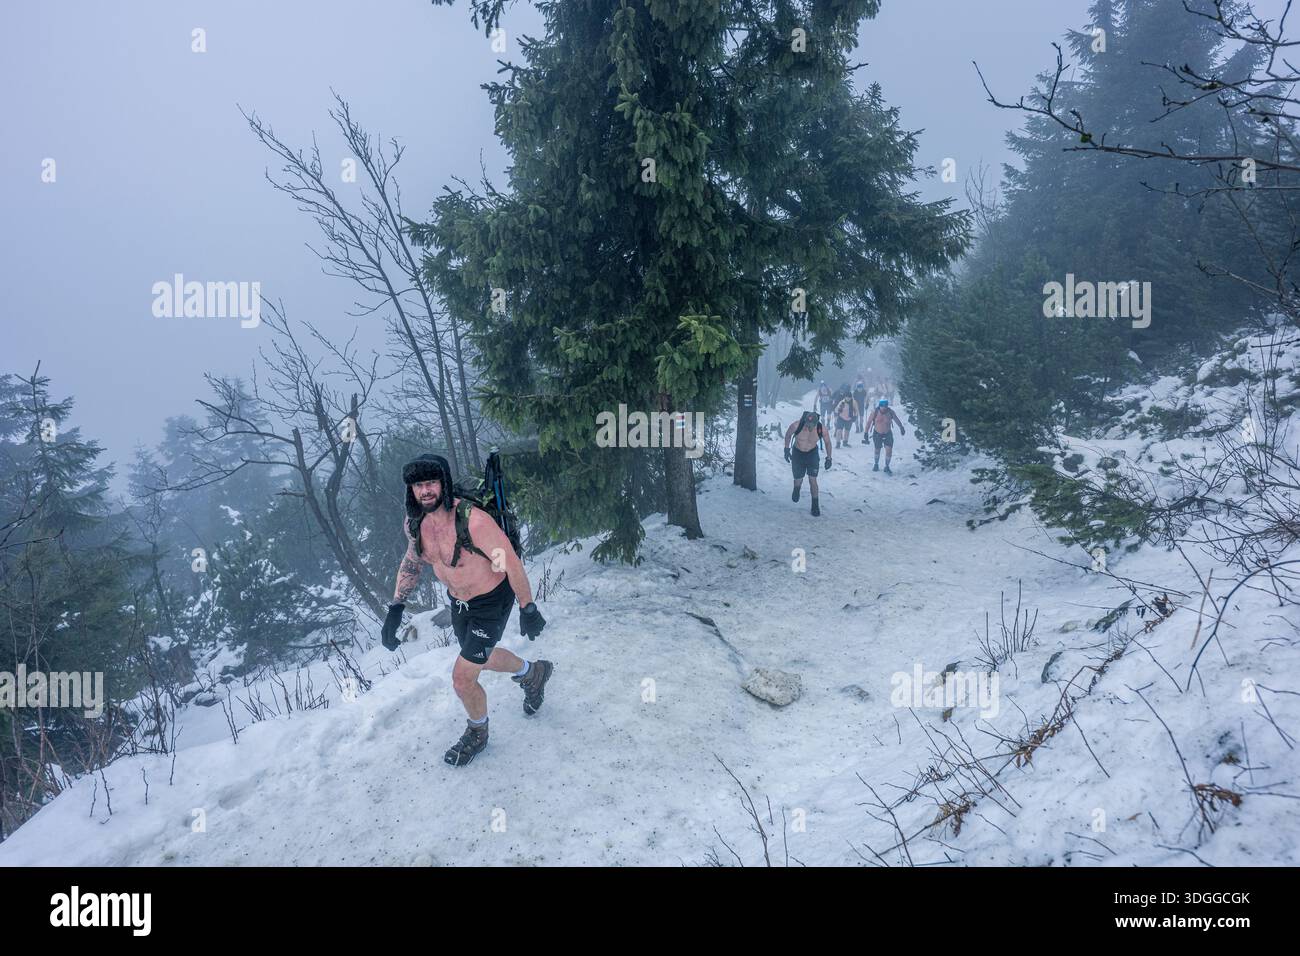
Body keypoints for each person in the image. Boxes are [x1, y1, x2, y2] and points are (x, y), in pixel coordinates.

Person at [382, 454, 552, 767]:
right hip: (458, 601)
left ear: (443, 483)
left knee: (462, 678)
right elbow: (411, 561)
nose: (425, 491)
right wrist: (395, 607)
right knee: (480, 659)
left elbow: (510, 562)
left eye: (431, 482)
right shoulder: (415, 523)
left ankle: (477, 734)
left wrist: (528, 607)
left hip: (491, 599)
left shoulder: (473, 521)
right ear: (411, 490)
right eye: (418, 485)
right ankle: (534, 673)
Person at [783, 411, 832, 516]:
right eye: (806, 424)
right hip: (798, 453)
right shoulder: (797, 425)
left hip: (812, 454)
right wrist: (786, 450)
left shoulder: (821, 429)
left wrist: (829, 458)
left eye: (810, 425)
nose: (807, 427)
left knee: (812, 480)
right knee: (798, 479)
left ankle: (815, 505)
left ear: (815, 423)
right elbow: (788, 435)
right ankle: (797, 488)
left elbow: (828, 442)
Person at [864, 398, 905, 473]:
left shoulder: (890, 412)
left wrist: (901, 427)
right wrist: (866, 433)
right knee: (877, 450)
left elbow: (896, 419)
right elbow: (869, 422)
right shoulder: (875, 412)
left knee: (889, 450)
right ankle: (876, 464)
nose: (884, 407)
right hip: (877, 433)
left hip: (887, 433)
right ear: (879, 406)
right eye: (882, 405)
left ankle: (887, 466)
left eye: (886, 405)